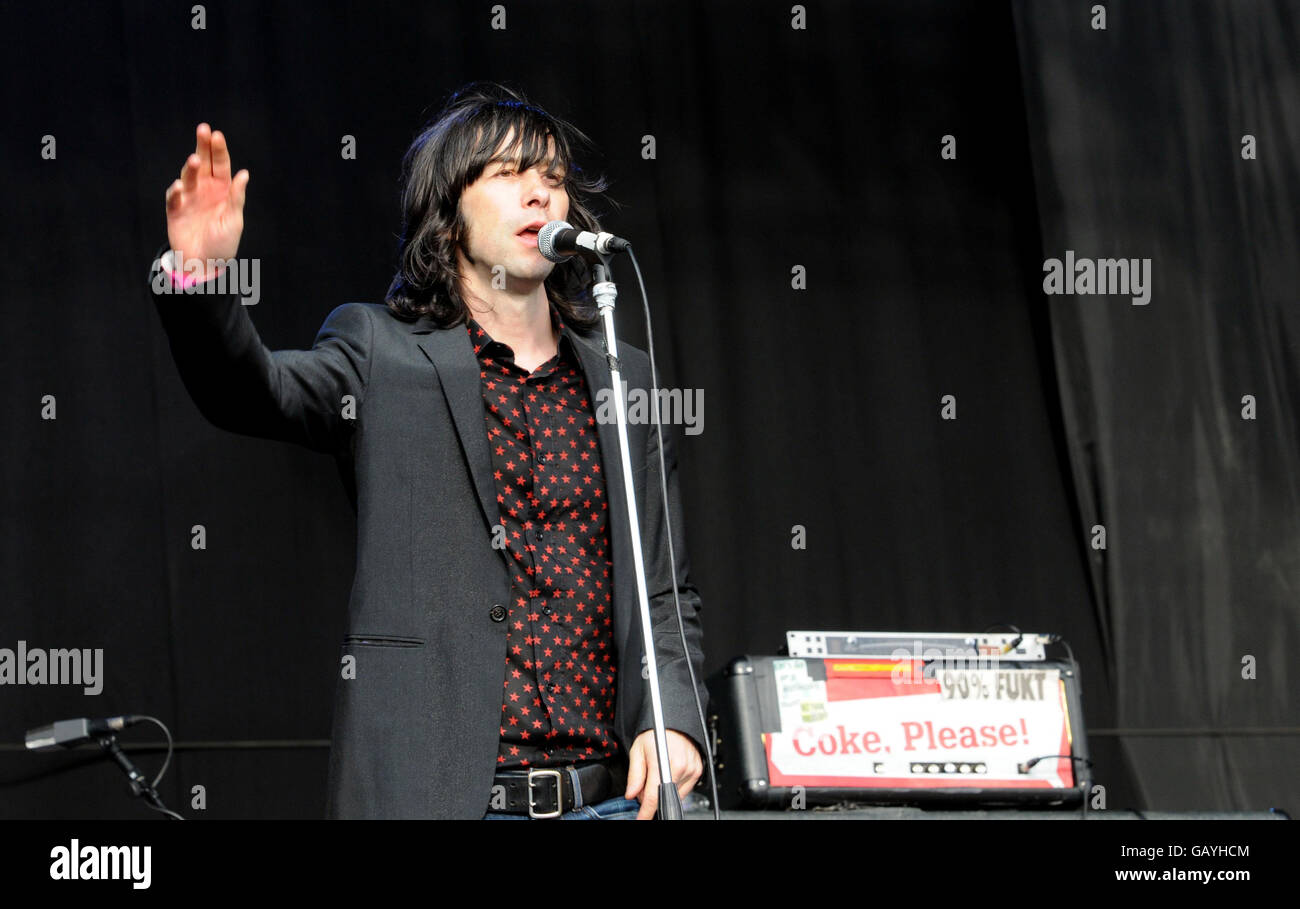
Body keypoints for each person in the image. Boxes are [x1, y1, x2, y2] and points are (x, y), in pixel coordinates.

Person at [147, 82, 707, 819]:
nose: (540, 194)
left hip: (608, 801)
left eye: (553, 177)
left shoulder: (621, 377)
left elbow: (662, 586)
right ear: (448, 213)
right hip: (441, 798)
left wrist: (674, 717)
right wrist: (199, 277)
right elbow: (254, 394)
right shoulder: (380, 350)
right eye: (507, 174)